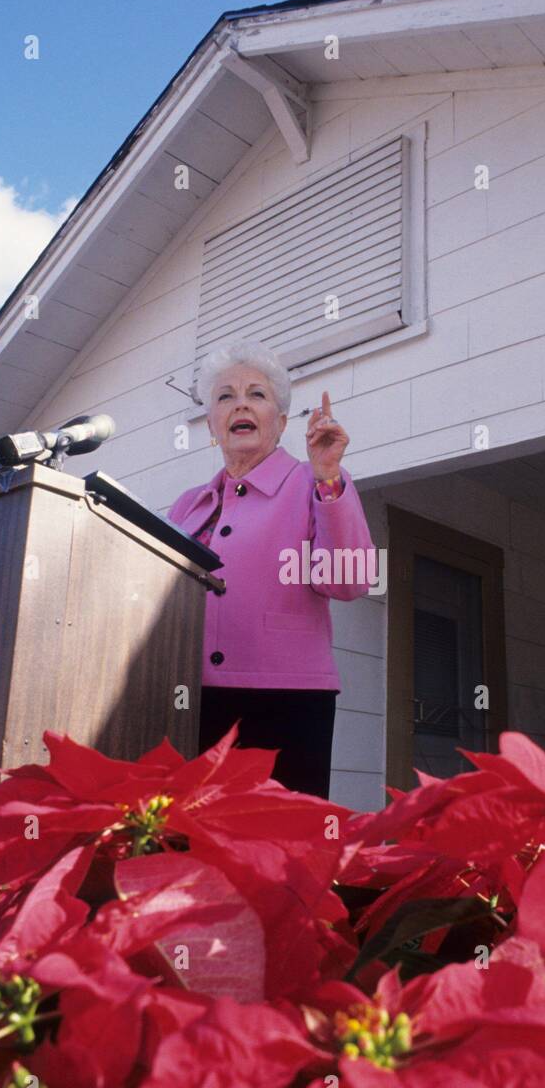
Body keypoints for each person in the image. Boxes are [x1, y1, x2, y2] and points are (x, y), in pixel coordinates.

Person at [167, 338, 375, 797]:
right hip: (188, 698)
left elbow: (350, 581)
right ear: (211, 425)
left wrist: (328, 477)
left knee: (274, 851)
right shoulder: (186, 506)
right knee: (189, 844)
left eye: (256, 394)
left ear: (280, 422)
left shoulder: (313, 482)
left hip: (285, 702)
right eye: (225, 396)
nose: (240, 403)